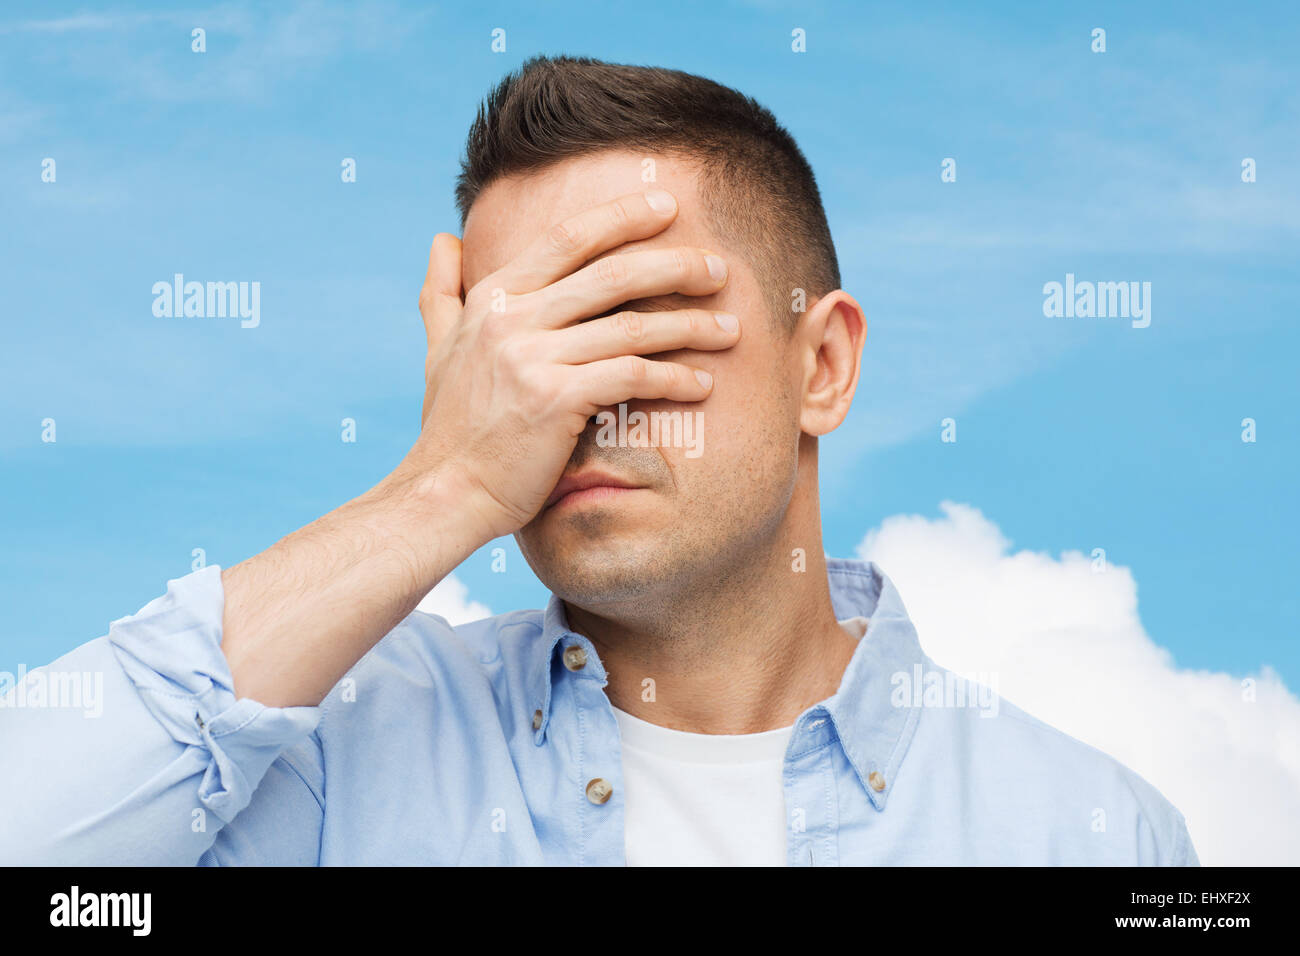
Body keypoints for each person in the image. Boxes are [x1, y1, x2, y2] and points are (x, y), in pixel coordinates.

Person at [0, 56, 1197, 866]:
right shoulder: (332, 761)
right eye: (515, 342)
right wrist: (448, 485)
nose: (569, 394)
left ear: (821, 365)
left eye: (637, 318)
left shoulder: (1089, 834)